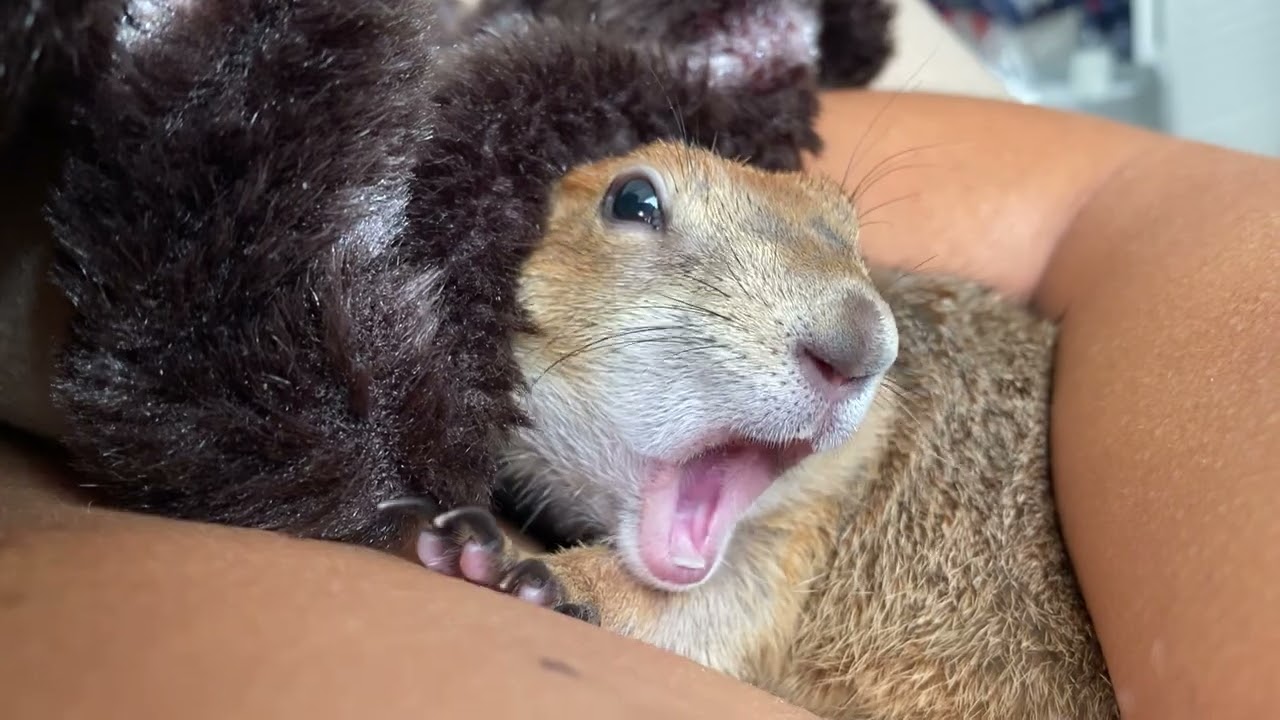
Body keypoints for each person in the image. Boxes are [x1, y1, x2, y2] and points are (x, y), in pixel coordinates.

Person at [1, 89, 1276, 720]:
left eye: (848, 261)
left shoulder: (858, 446)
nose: (856, 330)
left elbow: (728, 589)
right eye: (638, 208)